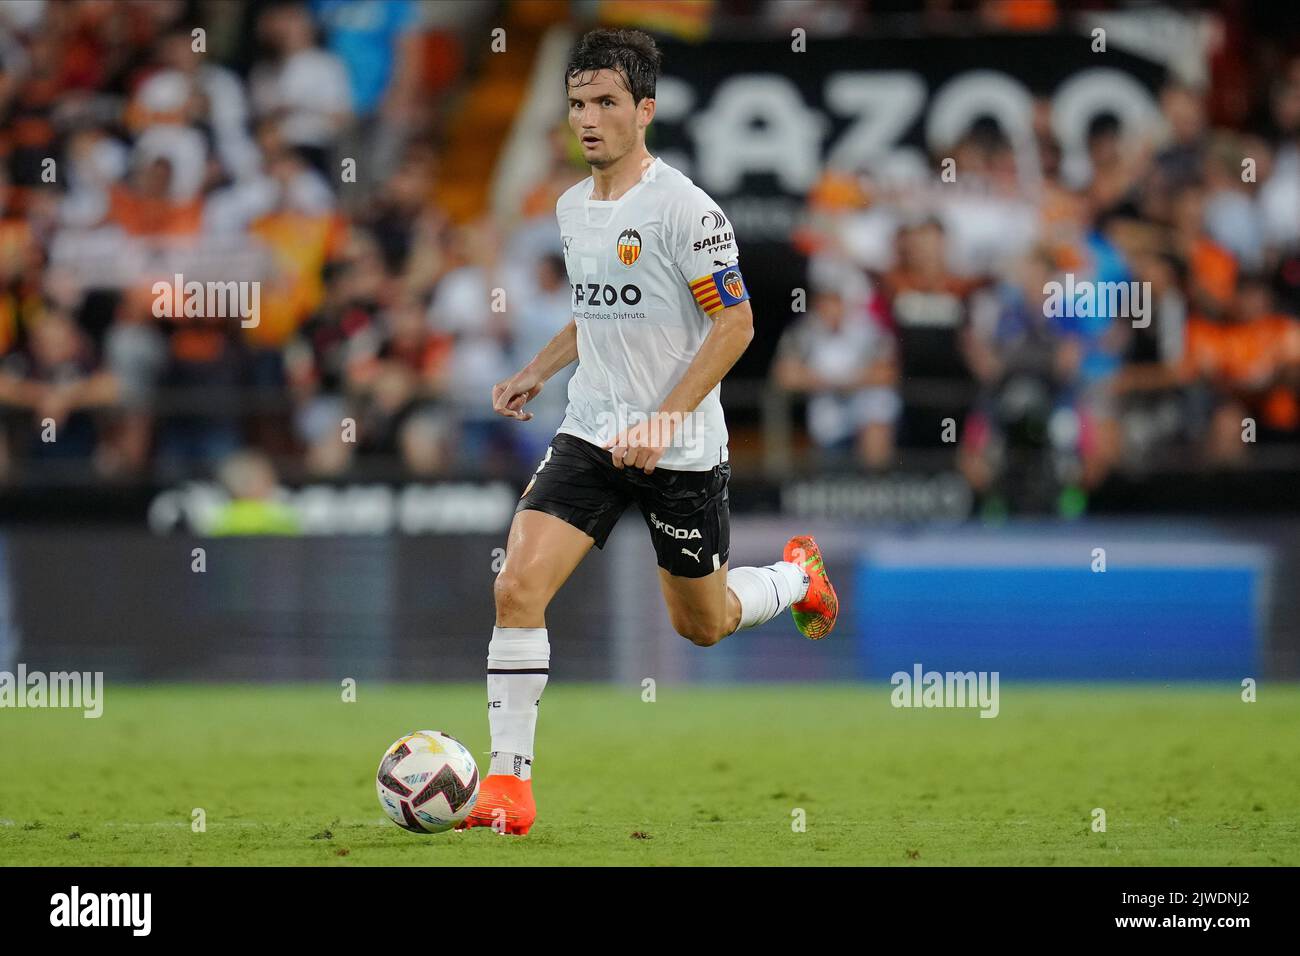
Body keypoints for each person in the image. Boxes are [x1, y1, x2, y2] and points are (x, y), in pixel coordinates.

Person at [456, 29, 838, 836]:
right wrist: (540, 366)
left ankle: (797, 577)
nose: (586, 120)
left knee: (702, 626)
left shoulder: (686, 210)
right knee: (517, 585)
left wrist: (666, 421)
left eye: (604, 104)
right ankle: (507, 787)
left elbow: (734, 325)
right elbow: (596, 310)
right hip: (592, 433)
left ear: (645, 111)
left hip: (681, 450)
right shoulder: (569, 207)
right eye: (575, 105)